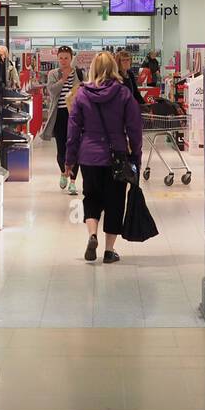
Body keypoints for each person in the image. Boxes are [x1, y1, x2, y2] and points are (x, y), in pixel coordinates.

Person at [64, 52, 144, 264]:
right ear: (115, 68)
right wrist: (136, 155)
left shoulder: (81, 94)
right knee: (115, 202)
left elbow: (72, 130)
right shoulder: (124, 93)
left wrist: (69, 160)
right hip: (116, 156)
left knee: (91, 197)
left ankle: (92, 235)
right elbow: (134, 128)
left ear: (93, 69)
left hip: (88, 156)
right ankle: (109, 251)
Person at [41, 46, 84, 195]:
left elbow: (82, 92)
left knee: (75, 149)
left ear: (71, 58)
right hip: (59, 116)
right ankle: (63, 172)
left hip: (75, 116)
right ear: (57, 59)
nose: (64, 61)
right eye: (61, 58)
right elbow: (51, 91)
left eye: (66, 58)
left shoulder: (78, 73)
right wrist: (63, 80)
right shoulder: (53, 73)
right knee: (62, 149)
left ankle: (72, 182)